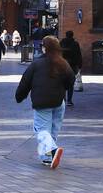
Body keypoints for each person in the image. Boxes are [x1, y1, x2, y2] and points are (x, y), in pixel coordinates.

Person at [15, 35, 75, 168]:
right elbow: (71, 80)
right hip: (59, 101)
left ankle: (52, 150)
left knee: (42, 130)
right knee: (53, 130)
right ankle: (47, 157)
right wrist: (62, 88)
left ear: (44, 48)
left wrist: (19, 96)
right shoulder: (63, 63)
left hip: (42, 102)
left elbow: (25, 82)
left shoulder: (36, 64)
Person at [60, 31, 84, 106]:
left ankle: (63, 100)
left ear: (66, 35)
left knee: (62, 83)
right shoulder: (75, 44)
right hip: (72, 66)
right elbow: (78, 55)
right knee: (71, 84)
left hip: (62, 65)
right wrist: (80, 65)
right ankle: (69, 101)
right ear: (72, 35)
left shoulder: (61, 43)